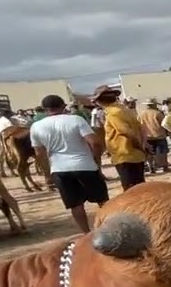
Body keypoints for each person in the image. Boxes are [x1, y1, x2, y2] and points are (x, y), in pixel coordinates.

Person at [29, 94, 110, 233]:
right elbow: (95, 142)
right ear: (63, 106)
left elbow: (39, 153)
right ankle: (109, 229)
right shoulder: (76, 120)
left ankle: (86, 233)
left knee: (75, 205)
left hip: (59, 169)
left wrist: (47, 173)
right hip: (85, 165)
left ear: (44, 109)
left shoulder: (36, 126)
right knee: (102, 201)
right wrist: (96, 159)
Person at [94, 85, 148, 191]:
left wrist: (140, 147)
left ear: (99, 101)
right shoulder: (125, 110)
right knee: (140, 188)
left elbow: (127, 132)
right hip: (135, 155)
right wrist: (143, 145)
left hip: (125, 155)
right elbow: (142, 129)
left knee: (131, 191)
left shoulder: (113, 114)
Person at [137, 99, 171, 174]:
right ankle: (165, 167)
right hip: (159, 135)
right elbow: (164, 124)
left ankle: (151, 168)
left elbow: (139, 125)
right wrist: (168, 132)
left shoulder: (141, 114)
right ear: (153, 105)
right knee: (163, 152)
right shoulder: (158, 113)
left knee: (149, 153)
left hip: (148, 136)